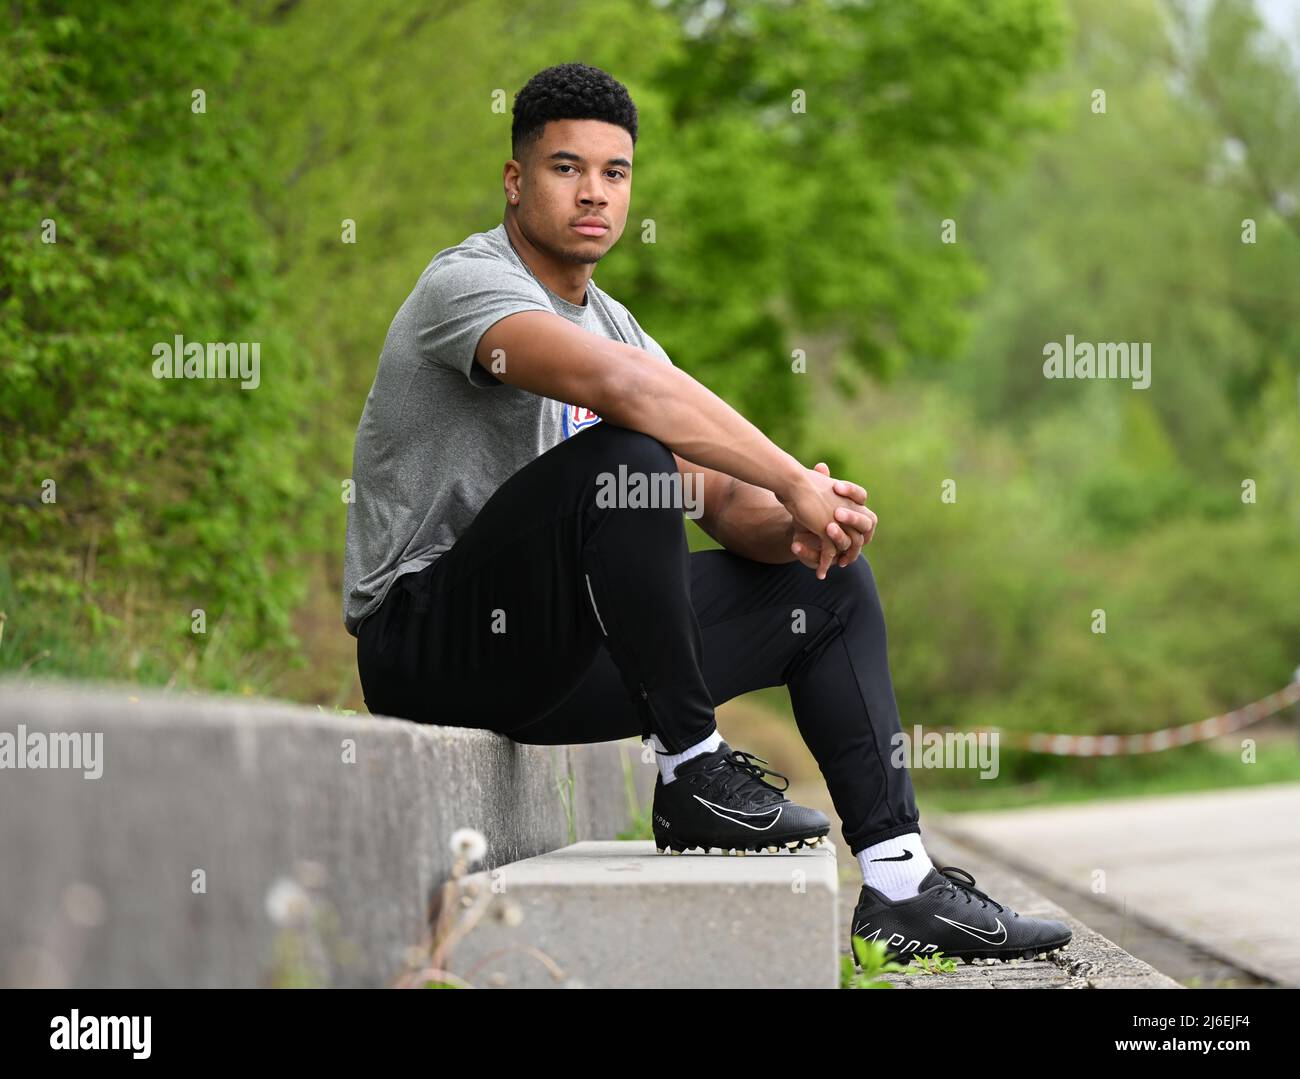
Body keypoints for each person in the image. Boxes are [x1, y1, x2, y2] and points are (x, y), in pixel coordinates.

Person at [342, 62, 1070, 965]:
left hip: (554, 662)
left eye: (615, 173)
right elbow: (623, 393)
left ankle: (901, 881)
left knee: (824, 587)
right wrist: (788, 475)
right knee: (626, 457)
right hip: (428, 642)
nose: (594, 193)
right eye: (567, 168)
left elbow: (720, 498)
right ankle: (692, 768)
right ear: (516, 181)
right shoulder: (465, 284)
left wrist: (803, 518)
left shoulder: (617, 323)